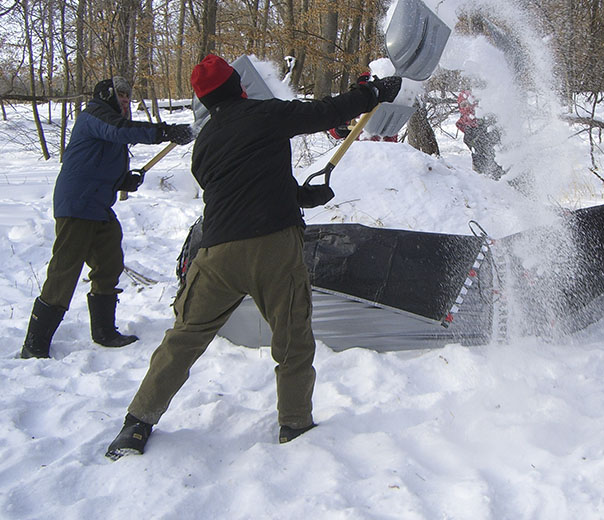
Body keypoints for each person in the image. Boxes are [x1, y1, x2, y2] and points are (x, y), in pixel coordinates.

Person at [105, 54, 401, 459]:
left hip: (216, 255)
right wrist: (372, 91)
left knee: (184, 338)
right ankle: (294, 424)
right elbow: (325, 112)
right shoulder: (264, 114)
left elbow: (237, 188)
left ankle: (136, 424)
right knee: (292, 339)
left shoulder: (205, 144)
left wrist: (299, 195)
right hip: (273, 249)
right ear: (237, 85)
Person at [20, 77, 193, 359]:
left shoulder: (111, 123)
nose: (126, 100)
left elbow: (97, 163)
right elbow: (121, 132)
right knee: (65, 271)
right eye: (121, 95)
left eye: (128, 96)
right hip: (77, 205)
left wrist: (123, 180)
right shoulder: (95, 116)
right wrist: (166, 131)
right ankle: (35, 344)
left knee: (109, 263)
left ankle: (104, 332)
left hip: (99, 206)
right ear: (107, 95)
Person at [456, 90, 503, 180]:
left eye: (469, 104)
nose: (467, 108)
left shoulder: (489, 122)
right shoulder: (466, 126)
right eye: (463, 105)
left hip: (503, 168)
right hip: (483, 173)